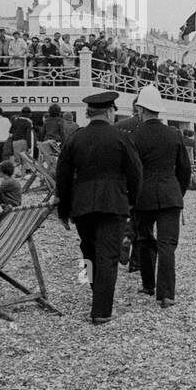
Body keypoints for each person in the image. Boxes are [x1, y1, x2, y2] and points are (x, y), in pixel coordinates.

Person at [54, 91, 143, 324]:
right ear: (110, 111)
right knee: (108, 255)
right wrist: (133, 201)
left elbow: (62, 177)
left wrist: (63, 210)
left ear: (88, 113)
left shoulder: (75, 138)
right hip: (113, 203)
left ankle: (96, 292)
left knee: (89, 251)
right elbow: (136, 172)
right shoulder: (121, 138)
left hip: (82, 204)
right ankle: (101, 310)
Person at [130, 85, 191, 308]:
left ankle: (148, 284)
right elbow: (185, 169)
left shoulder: (135, 137)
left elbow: (132, 170)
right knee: (167, 245)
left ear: (141, 109)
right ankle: (166, 294)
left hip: (143, 195)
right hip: (169, 194)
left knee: (144, 240)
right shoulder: (174, 135)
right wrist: (178, 191)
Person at [9, 107, 34, 173]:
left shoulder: (15, 121)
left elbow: (10, 132)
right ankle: (23, 176)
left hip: (15, 142)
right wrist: (29, 146)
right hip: (23, 141)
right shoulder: (28, 122)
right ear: (29, 114)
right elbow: (28, 135)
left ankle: (16, 174)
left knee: (17, 161)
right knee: (24, 160)